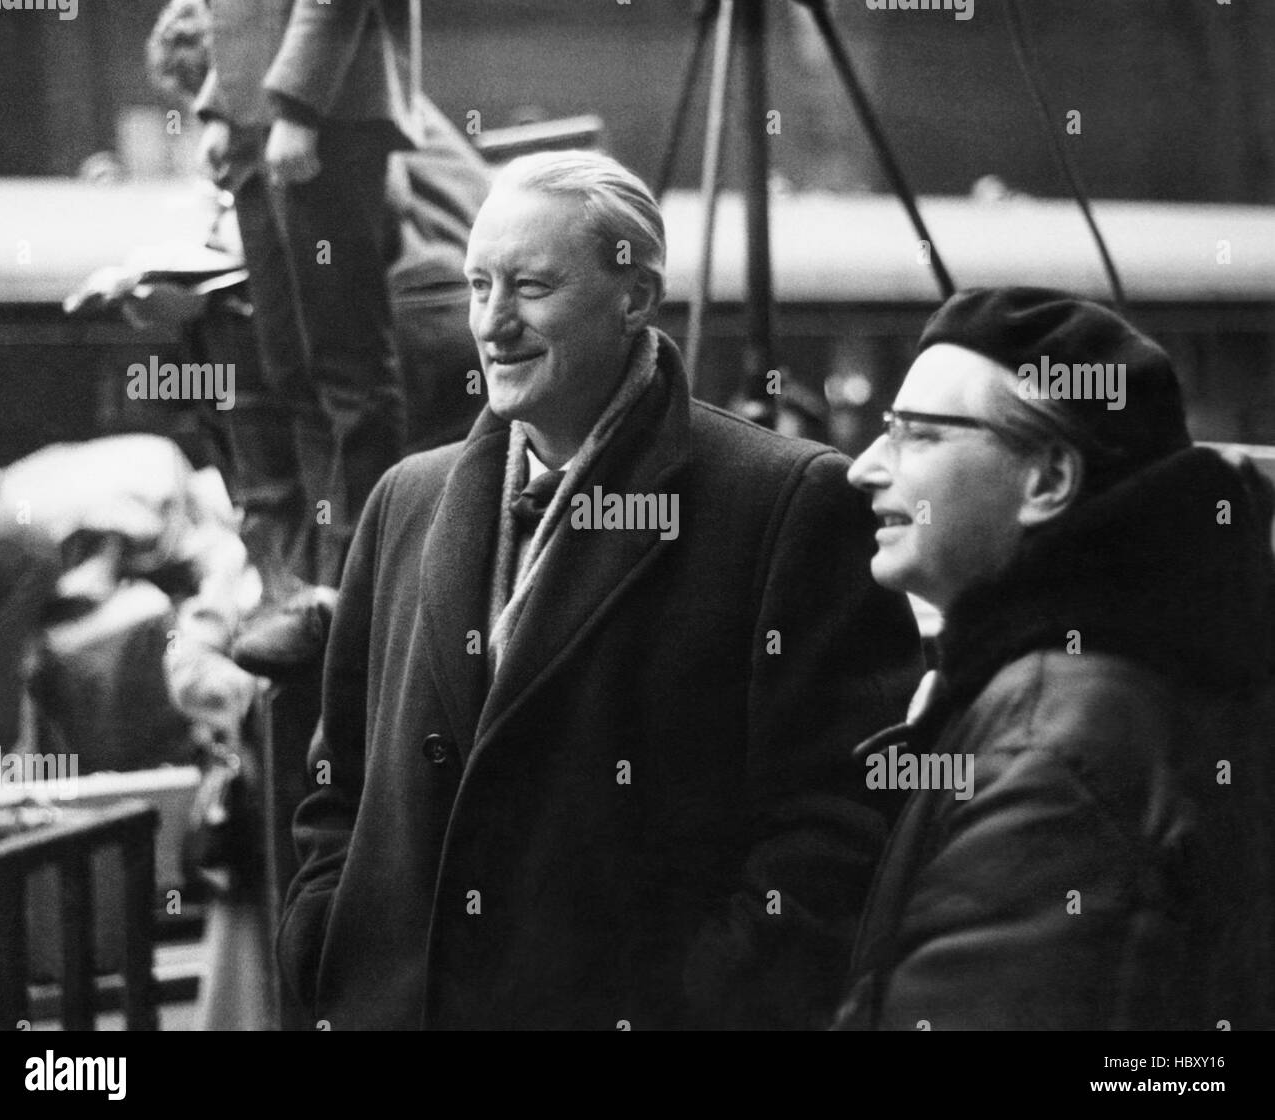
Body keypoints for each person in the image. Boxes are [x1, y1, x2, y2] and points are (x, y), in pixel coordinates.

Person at [278, 150, 923, 1030]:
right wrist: (322, 941)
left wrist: (705, 1002)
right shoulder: (407, 500)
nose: (492, 323)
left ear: (636, 296)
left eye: (530, 287)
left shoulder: (784, 501)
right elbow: (336, 782)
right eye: (476, 286)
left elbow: (839, 829)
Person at [836, 287, 1275, 1030]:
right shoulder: (1106, 680)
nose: (864, 468)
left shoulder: (1058, 752)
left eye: (916, 435)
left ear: (1048, 480)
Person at [194, 0, 421, 623]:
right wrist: (221, 102)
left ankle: (361, 586)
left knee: (347, 373)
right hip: (258, 121)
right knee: (292, 368)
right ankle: (327, 581)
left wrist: (298, 105)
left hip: (322, 115)